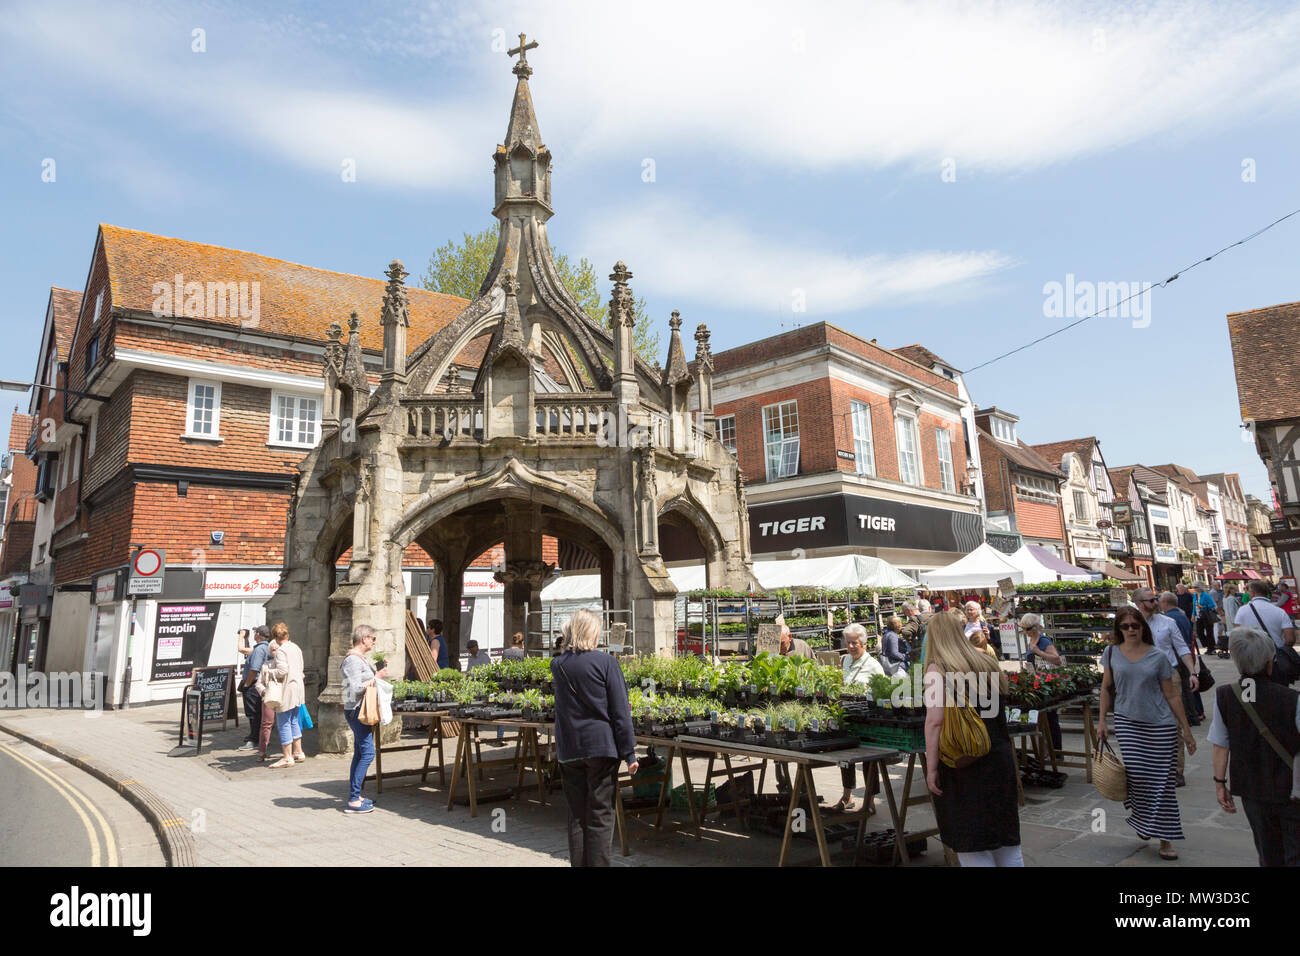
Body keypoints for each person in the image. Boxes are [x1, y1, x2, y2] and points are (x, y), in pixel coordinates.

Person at [1096, 605, 1196, 861]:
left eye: (1135, 625)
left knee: (1163, 784)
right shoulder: (1111, 653)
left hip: (1160, 725)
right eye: (1125, 626)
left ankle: (1165, 839)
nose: (1131, 630)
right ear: (1118, 629)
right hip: (1128, 723)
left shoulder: (1157, 656)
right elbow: (1106, 688)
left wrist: (1186, 730)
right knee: (1137, 777)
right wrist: (1102, 721)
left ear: (1143, 627)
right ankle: (1144, 820)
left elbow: (1172, 695)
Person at [923, 610, 1022, 866]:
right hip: (998, 755)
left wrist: (931, 768)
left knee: (972, 842)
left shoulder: (938, 668)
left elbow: (935, 722)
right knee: (1007, 839)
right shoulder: (987, 661)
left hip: (964, 761)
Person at [551, 609, 638, 867]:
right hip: (600, 747)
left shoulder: (558, 665)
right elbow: (620, 710)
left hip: (569, 748)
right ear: (593, 632)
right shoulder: (606, 663)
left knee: (577, 815)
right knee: (600, 815)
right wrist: (629, 752)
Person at [1209, 625, 1300, 866]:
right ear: (1270, 662)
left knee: (1267, 851)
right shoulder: (1293, 699)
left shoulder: (1226, 696)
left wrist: (1220, 784)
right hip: (1292, 787)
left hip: (1252, 787)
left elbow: (1220, 744)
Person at [835, 623, 885, 812]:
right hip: (847, 716)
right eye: (848, 643)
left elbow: (882, 692)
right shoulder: (845, 660)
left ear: (864, 643)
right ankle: (847, 796)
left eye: (854, 643)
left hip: (866, 718)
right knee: (845, 759)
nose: (851, 646)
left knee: (869, 762)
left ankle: (870, 801)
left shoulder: (873, 666)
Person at [340, 624, 388, 813]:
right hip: (357, 709)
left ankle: (356, 795)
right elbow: (356, 687)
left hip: (357, 709)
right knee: (368, 753)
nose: (374, 642)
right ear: (364, 639)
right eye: (373, 638)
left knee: (361, 752)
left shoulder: (359, 658)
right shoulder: (352, 660)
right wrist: (376, 677)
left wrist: (377, 672)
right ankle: (353, 800)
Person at [261, 622, 306, 769]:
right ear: (287, 634)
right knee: (294, 719)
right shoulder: (296, 647)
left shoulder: (281, 651)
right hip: (299, 687)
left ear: (275, 637)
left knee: (283, 721)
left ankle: (287, 757)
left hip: (287, 689)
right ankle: (298, 752)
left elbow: (282, 671)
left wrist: (269, 672)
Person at [1019, 612, 1062, 751]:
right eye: (1024, 629)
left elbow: (1057, 659)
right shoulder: (1031, 641)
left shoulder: (1043, 641)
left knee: (1050, 719)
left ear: (1034, 628)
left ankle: (1056, 751)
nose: (1025, 632)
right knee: (1040, 719)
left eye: (1026, 629)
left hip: (1048, 684)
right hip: (1036, 684)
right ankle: (1043, 751)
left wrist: (1039, 651)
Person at [1159, 591, 1204, 723]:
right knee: (1189, 686)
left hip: (1178, 656)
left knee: (1183, 688)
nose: (1159, 604)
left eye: (1160, 601)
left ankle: (1190, 715)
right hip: (1187, 653)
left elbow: (1177, 642)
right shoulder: (1182, 615)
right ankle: (1196, 713)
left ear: (1165, 603)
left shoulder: (1169, 619)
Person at [1235, 580, 1297, 651]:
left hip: (1252, 654)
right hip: (1276, 654)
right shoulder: (1280, 611)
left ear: (1252, 593)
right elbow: (1290, 639)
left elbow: (1237, 635)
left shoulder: (1242, 610)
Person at [236, 627, 271, 751]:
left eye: (255, 633)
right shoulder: (268, 647)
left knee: (253, 713)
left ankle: (254, 740)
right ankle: (258, 737)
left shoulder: (259, 650)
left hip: (254, 685)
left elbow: (254, 669)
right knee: (260, 713)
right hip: (262, 684)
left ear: (258, 635)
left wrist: (247, 684)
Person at [1193, 584, 1218, 653]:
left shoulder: (1205, 595)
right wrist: (1193, 615)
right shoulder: (1195, 595)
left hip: (1206, 615)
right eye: (1194, 587)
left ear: (1200, 587)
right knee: (1199, 632)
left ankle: (1211, 648)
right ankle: (1208, 645)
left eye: (1196, 587)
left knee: (1209, 631)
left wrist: (1202, 606)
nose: (1195, 589)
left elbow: (1212, 605)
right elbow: (1194, 606)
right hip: (1199, 616)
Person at [1219, 584, 1242, 658]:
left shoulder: (1225, 598)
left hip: (1229, 619)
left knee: (1231, 635)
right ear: (1231, 590)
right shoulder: (1231, 599)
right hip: (1233, 620)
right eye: (1235, 589)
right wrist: (1235, 622)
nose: (1236, 591)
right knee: (1236, 636)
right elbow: (1231, 611)